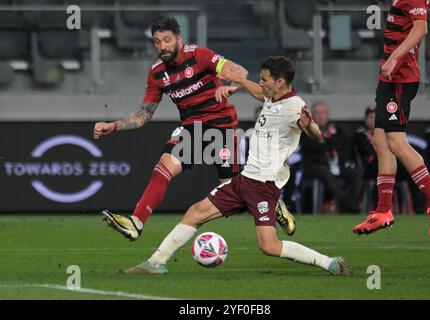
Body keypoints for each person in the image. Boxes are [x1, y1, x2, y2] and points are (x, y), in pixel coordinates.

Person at [119, 56, 352, 276]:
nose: (261, 83)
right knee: (195, 212)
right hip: (245, 180)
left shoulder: (294, 107)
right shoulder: (273, 96)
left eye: (265, 79)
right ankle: (156, 263)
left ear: (280, 82)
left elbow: (317, 135)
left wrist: (308, 125)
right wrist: (237, 82)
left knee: (268, 246)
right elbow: (260, 93)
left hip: (263, 185)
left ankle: (330, 263)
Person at [95, 17, 296, 239]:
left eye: (167, 40)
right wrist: (113, 126)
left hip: (221, 127)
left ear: (179, 39)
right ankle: (136, 221)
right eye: (157, 42)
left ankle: (272, 203)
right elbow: (144, 115)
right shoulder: (157, 73)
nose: (162, 46)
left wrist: (232, 86)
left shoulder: (200, 55)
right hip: (191, 130)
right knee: (163, 167)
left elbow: (238, 70)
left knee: (233, 193)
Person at [352, 0, 430, 237]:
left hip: (400, 78)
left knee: (395, 142)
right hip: (390, 79)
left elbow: (420, 28)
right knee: (381, 142)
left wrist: (394, 57)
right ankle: (384, 210)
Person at [300, 102, 362, 213]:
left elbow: (344, 140)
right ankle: (349, 205)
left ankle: (350, 204)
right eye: (317, 113)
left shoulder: (336, 130)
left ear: (327, 115)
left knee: (356, 173)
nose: (320, 116)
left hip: (336, 166)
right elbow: (315, 148)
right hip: (315, 168)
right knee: (324, 171)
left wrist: (325, 144)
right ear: (312, 115)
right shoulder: (306, 131)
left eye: (323, 113)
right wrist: (331, 144)